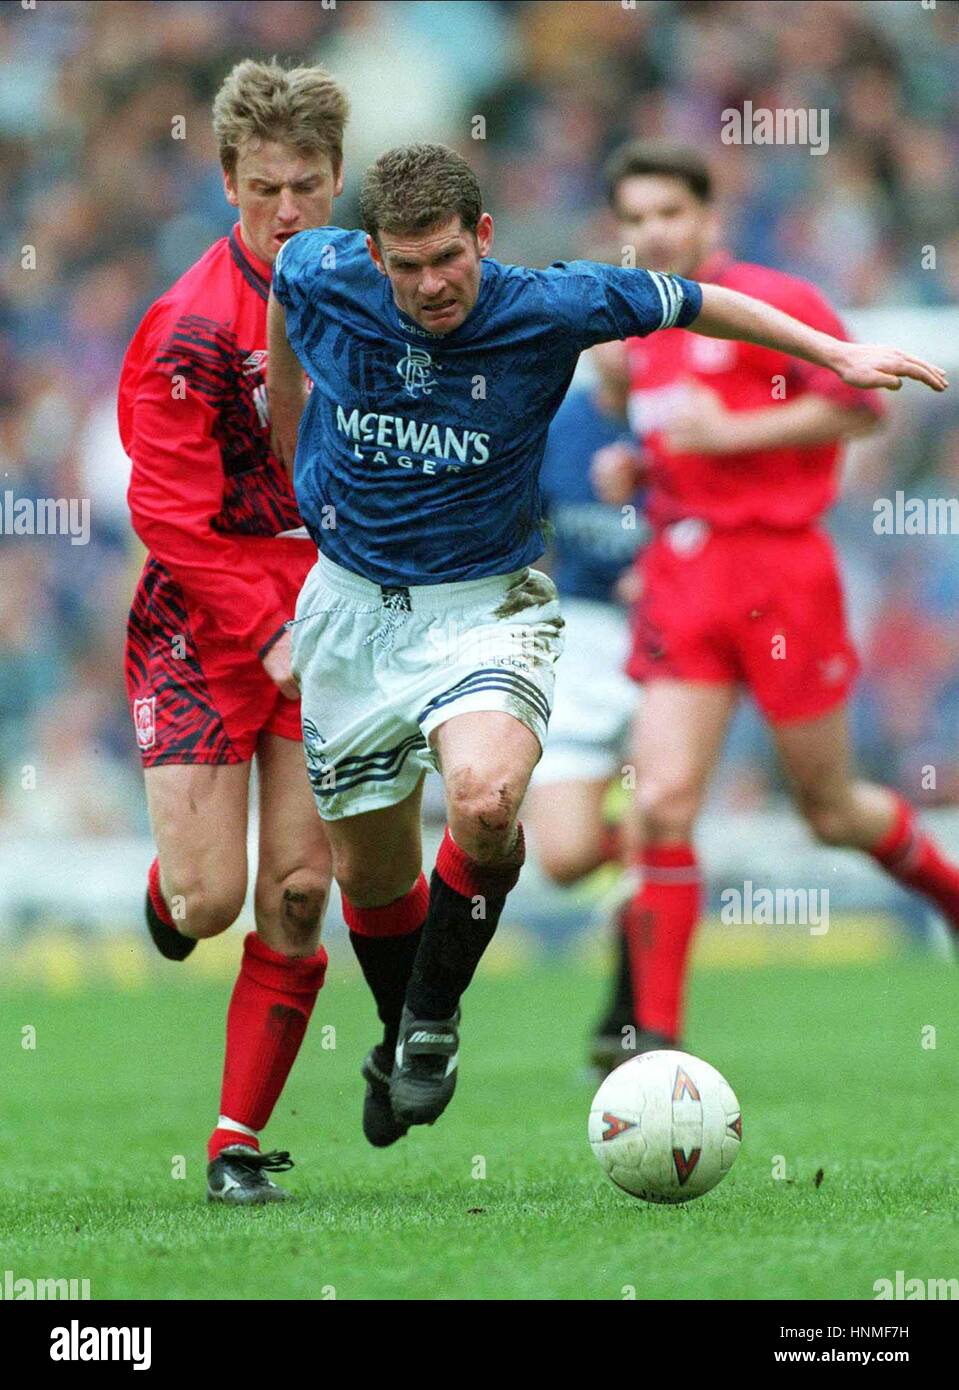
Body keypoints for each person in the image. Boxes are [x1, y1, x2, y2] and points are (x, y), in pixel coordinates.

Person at [267, 142, 945, 1143]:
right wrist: (288, 451)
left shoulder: (586, 300)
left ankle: (650, 1025)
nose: (429, 283)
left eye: (447, 258)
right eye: (405, 266)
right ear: (372, 255)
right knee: (457, 858)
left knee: (803, 806)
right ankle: (527, 1031)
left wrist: (829, 356)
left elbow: (748, 345)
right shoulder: (324, 270)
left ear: (483, 238)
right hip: (516, 589)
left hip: (677, 584)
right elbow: (284, 291)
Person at [592, 141, 959, 1060]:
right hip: (683, 575)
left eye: (667, 213)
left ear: (708, 217)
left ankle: (949, 895)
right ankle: (656, 1045)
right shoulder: (635, 325)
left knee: (829, 809)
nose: (651, 233)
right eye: (634, 219)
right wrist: (634, 465)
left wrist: (731, 432)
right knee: (663, 804)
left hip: (782, 573)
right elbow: (666, 440)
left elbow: (861, 408)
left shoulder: (774, 302)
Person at [119, 60, 348, 1204]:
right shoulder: (187, 328)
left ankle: (233, 1143)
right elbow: (164, 511)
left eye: (308, 185)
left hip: (327, 620)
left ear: (337, 178)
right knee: (213, 902)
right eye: (266, 189)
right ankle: (169, 894)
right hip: (205, 624)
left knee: (301, 890)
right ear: (228, 183)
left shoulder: (374, 299)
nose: (290, 210)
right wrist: (262, 628)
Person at [524, 339, 647, 1074]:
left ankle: (633, 1021)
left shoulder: (684, 418)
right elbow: (525, 534)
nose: (623, 349)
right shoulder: (558, 426)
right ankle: (666, 875)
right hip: (585, 639)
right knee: (565, 857)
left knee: (650, 823)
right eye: (612, 332)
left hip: (671, 636)